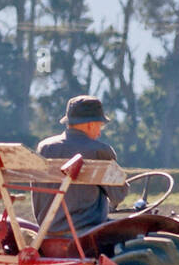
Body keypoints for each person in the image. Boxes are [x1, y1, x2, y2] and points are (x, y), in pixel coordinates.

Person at [32, 95, 129, 234]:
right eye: (99, 126)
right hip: (87, 231)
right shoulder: (99, 150)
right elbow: (119, 194)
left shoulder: (44, 147)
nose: (99, 133)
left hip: (47, 230)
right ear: (90, 124)